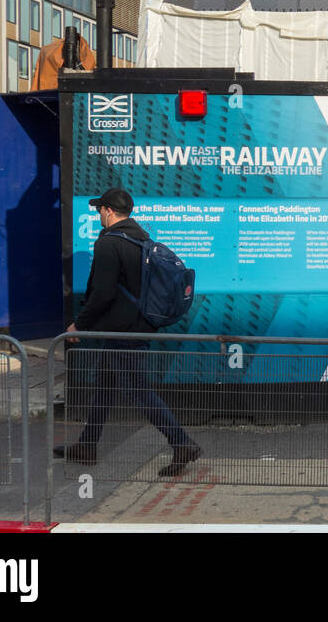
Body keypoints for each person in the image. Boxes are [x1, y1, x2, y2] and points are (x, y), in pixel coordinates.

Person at [56, 188, 201, 478]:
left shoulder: (109, 243)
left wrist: (79, 324)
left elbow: (103, 292)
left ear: (109, 210)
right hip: (134, 326)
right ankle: (87, 445)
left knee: (138, 390)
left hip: (123, 330)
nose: (98, 214)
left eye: (100, 209)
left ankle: (182, 443)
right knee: (105, 385)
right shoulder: (141, 239)